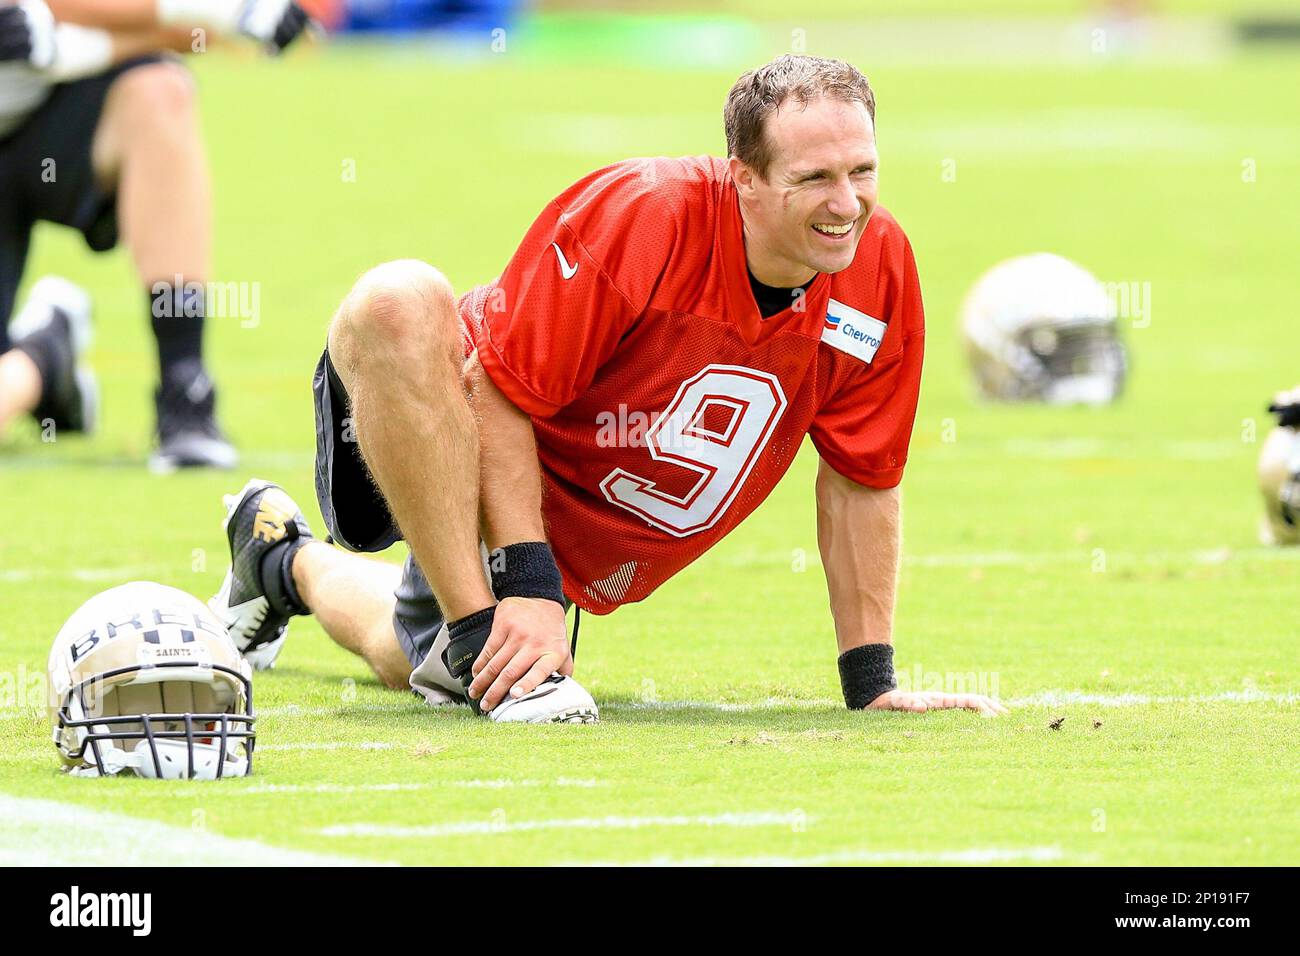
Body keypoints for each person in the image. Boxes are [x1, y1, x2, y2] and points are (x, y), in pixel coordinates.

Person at [210, 54, 1008, 723]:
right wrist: (523, 590)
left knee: (409, 652)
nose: (847, 204)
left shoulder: (879, 267)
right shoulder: (648, 216)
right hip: (459, 421)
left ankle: (280, 558)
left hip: (571, 528)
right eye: (814, 178)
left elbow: (862, 479)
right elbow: (497, 385)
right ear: (746, 180)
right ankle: (478, 637)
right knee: (398, 298)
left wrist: (872, 683)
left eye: (863, 171)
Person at [0, 0, 311, 467]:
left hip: (53, 125)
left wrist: (63, 49)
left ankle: (185, 389)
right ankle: (45, 352)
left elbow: (188, 34)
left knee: (158, 90)